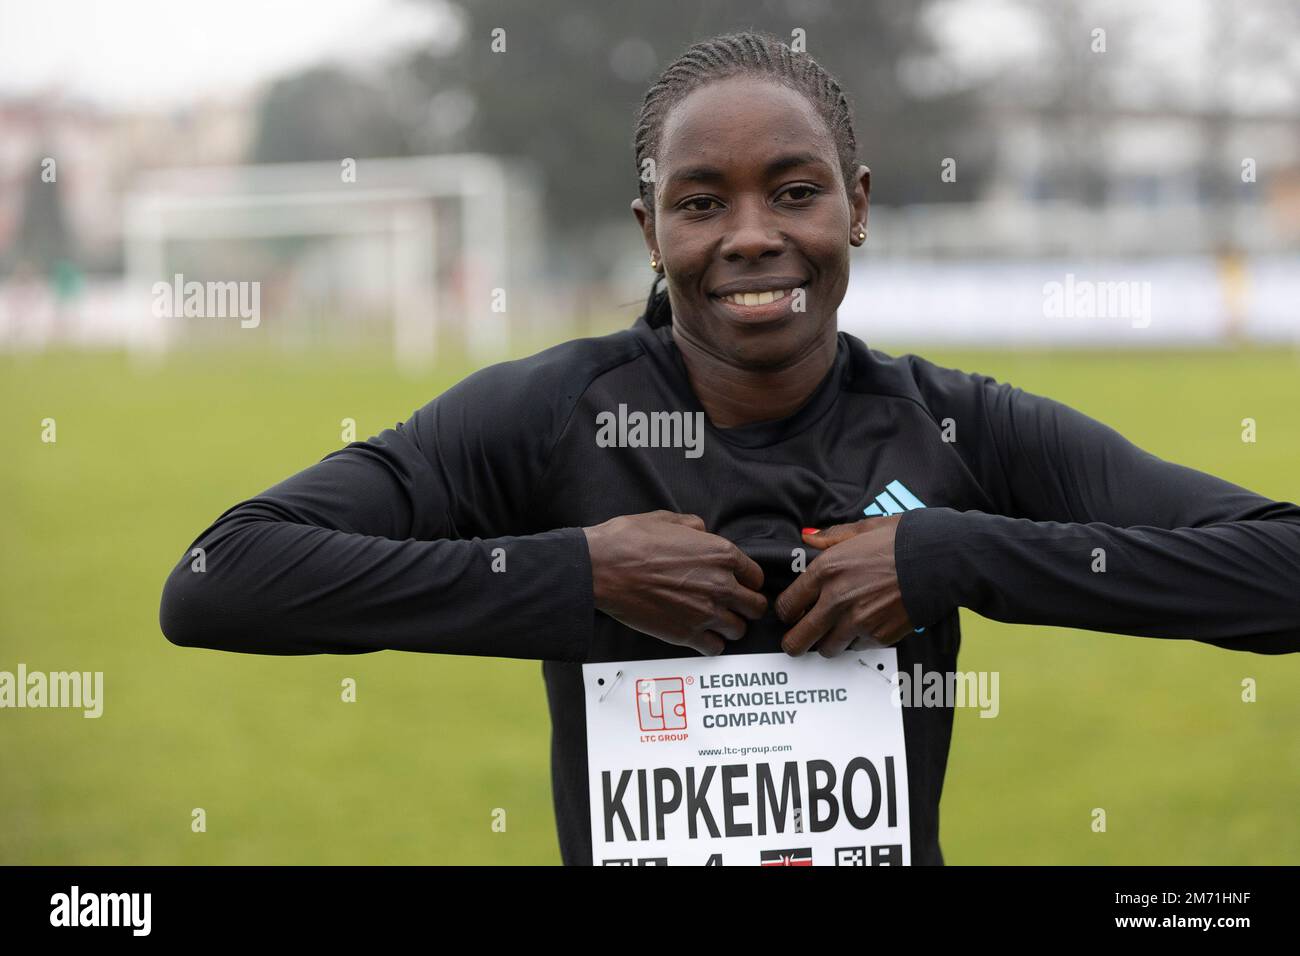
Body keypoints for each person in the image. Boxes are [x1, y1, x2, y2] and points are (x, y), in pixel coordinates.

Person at [160, 31, 1300, 866]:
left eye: (794, 192)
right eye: (701, 202)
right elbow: (220, 581)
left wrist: (954, 555)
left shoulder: (959, 424)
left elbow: (1280, 569)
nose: (753, 235)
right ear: (649, 230)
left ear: (854, 206)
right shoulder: (549, 416)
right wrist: (576, 575)